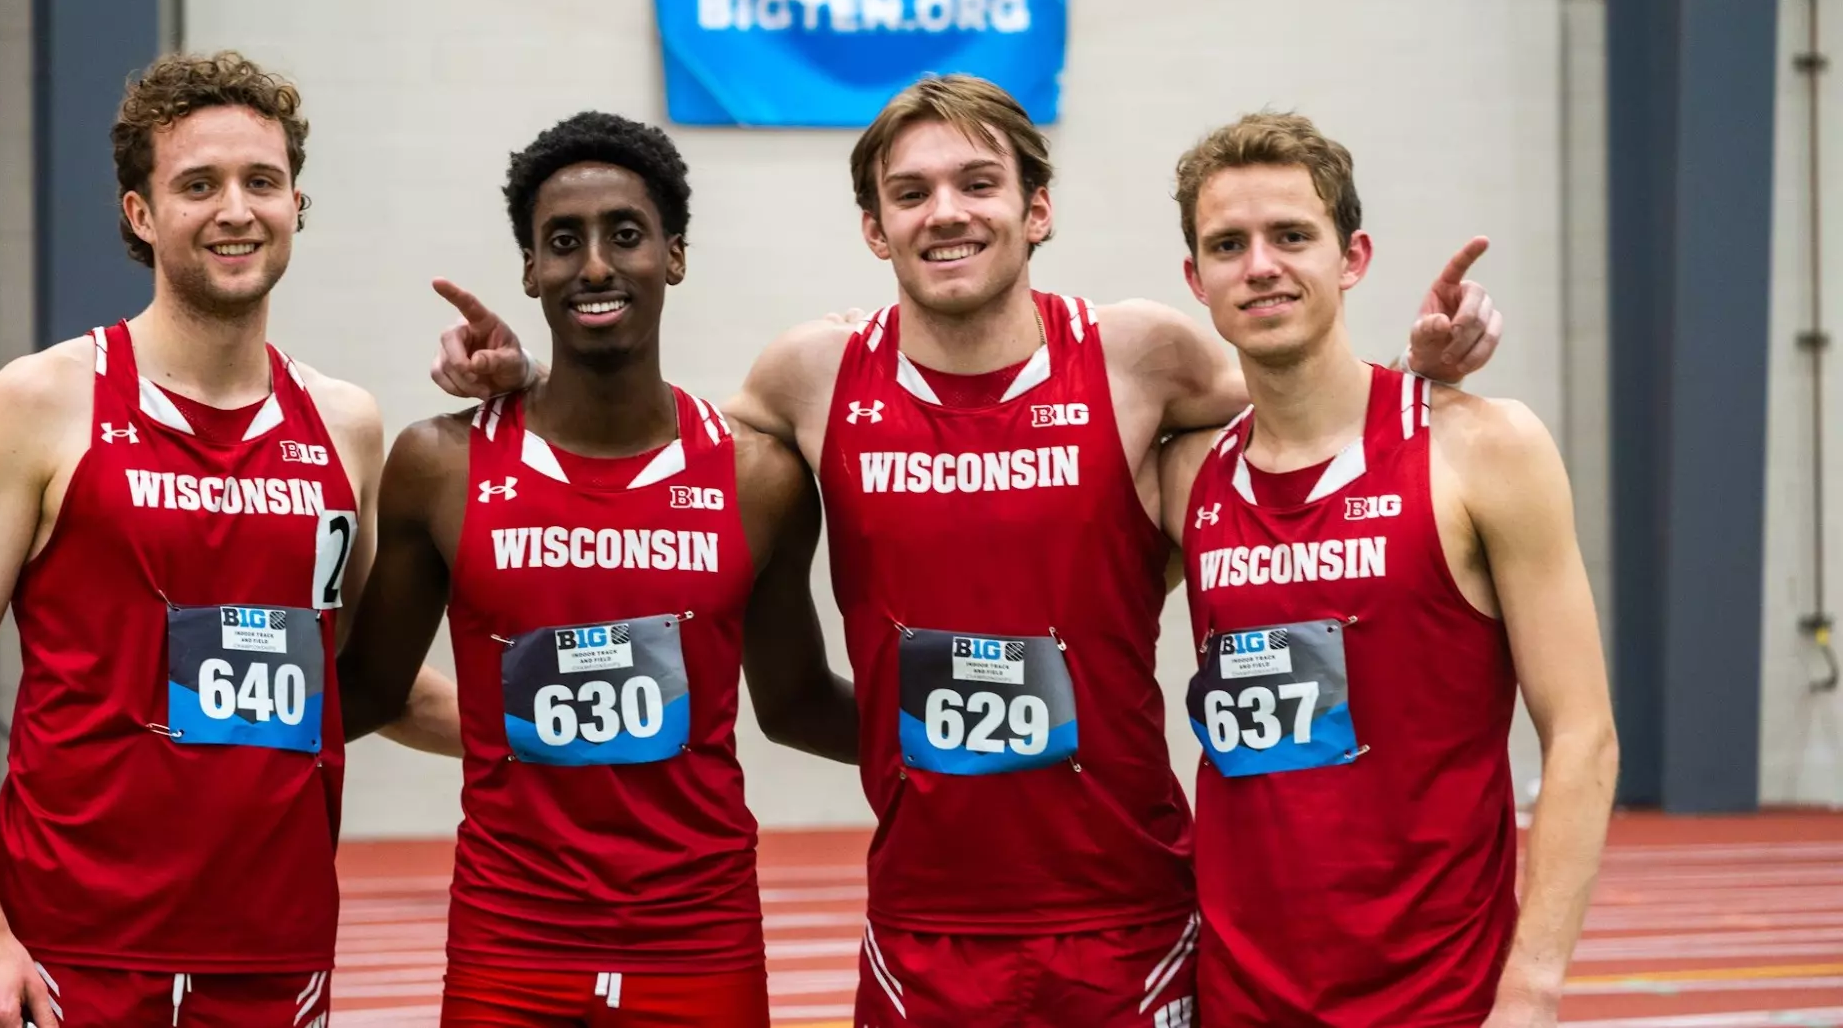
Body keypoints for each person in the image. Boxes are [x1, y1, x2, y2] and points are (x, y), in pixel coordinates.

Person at [427, 75, 1503, 1026]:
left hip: (1129, 914)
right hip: (923, 930)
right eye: (910, 192)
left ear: (1036, 210)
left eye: (976, 183)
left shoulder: (1137, 355)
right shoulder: (810, 377)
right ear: (872, 228)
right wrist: (533, 380)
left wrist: (1410, 373)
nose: (946, 212)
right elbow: (647, 438)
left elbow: (1303, 405)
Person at [0, 51, 451, 1028]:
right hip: (72, 945)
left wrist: (561, 728)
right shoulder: (43, 401)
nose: (235, 209)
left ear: (295, 205)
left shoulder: (345, 423)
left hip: (275, 948)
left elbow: (366, 677)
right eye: (198, 185)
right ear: (140, 214)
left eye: (261, 182)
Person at [338, 111, 855, 1028]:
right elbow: (367, 690)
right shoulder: (438, 466)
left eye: (626, 234)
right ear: (531, 271)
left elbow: (799, 704)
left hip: (699, 936)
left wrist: (980, 740)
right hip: (511, 941)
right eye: (563, 242)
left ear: (675, 254)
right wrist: (171, 735)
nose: (596, 266)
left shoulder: (759, 477)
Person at [1160, 111, 1617, 1027]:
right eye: (1228, 244)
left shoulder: (1484, 448)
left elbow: (1581, 733)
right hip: (1239, 995)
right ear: (1196, 278)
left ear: (1352, 256)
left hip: (1442, 996)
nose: (1260, 264)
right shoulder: (1186, 475)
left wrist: (1532, 986)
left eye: (1292, 235)